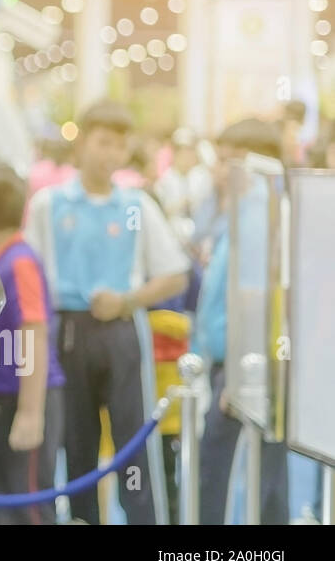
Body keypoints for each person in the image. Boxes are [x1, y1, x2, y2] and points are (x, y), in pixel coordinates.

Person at [24, 101, 189, 525]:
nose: (110, 154)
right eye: (102, 143)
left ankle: (142, 519)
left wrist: (128, 300)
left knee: (133, 441)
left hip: (121, 330)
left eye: (119, 146)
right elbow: (32, 277)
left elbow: (174, 275)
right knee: (76, 443)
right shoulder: (49, 204)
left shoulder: (136, 206)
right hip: (69, 332)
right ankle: (82, 519)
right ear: (81, 143)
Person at [194, 117, 290, 524]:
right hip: (240, 360)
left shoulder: (259, 213)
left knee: (221, 473)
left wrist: (237, 375)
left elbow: (254, 298)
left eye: (227, 161)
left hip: (246, 363)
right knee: (262, 474)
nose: (218, 172)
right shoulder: (244, 211)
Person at [0, 167, 64, 525]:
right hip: (3, 397)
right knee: (4, 501)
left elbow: (34, 333)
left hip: (25, 397)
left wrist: (30, 411)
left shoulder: (19, 261)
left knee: (29, 504)